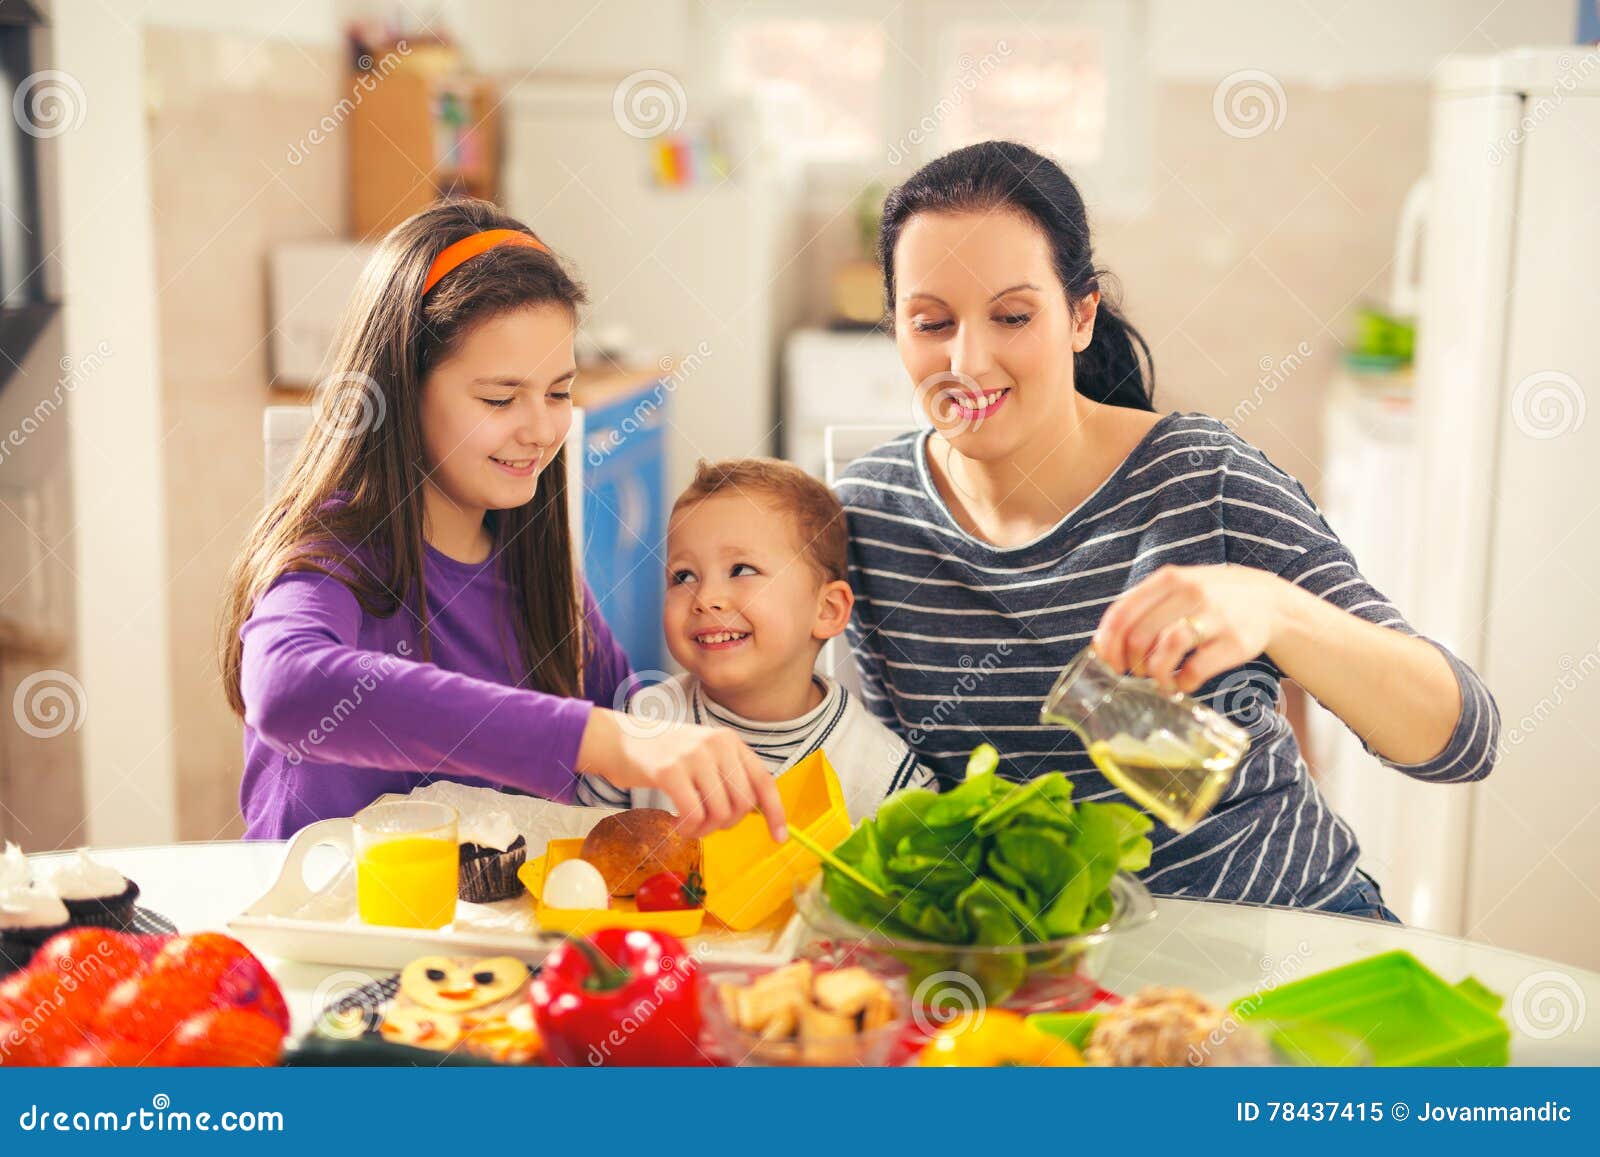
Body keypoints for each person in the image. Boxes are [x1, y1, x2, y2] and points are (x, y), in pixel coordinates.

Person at [836, 141, 1500, 921]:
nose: (967, 360)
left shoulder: (1198, 477)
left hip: (1285, 941)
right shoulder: (868, 516)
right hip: (1060, 980)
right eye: (931, 322)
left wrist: (1275, 609)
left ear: (1080, 315)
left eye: (1012, 316)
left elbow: (1463, 741)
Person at [220, 199, 785, 843]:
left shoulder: (539, 575)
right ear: (402, 391)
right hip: (325, 929)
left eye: (559, 392)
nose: (542, 430)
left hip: (482, 936)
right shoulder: (333, 556)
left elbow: (634, 730)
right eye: (499, 398)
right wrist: (594, 737)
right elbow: (287, 690)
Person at [578, 458, 936, 822]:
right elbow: (581, 851)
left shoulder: (887, 778)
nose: (706, 598)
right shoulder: (635, 729)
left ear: (827, 610)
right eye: (683, 576)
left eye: (742, 570)